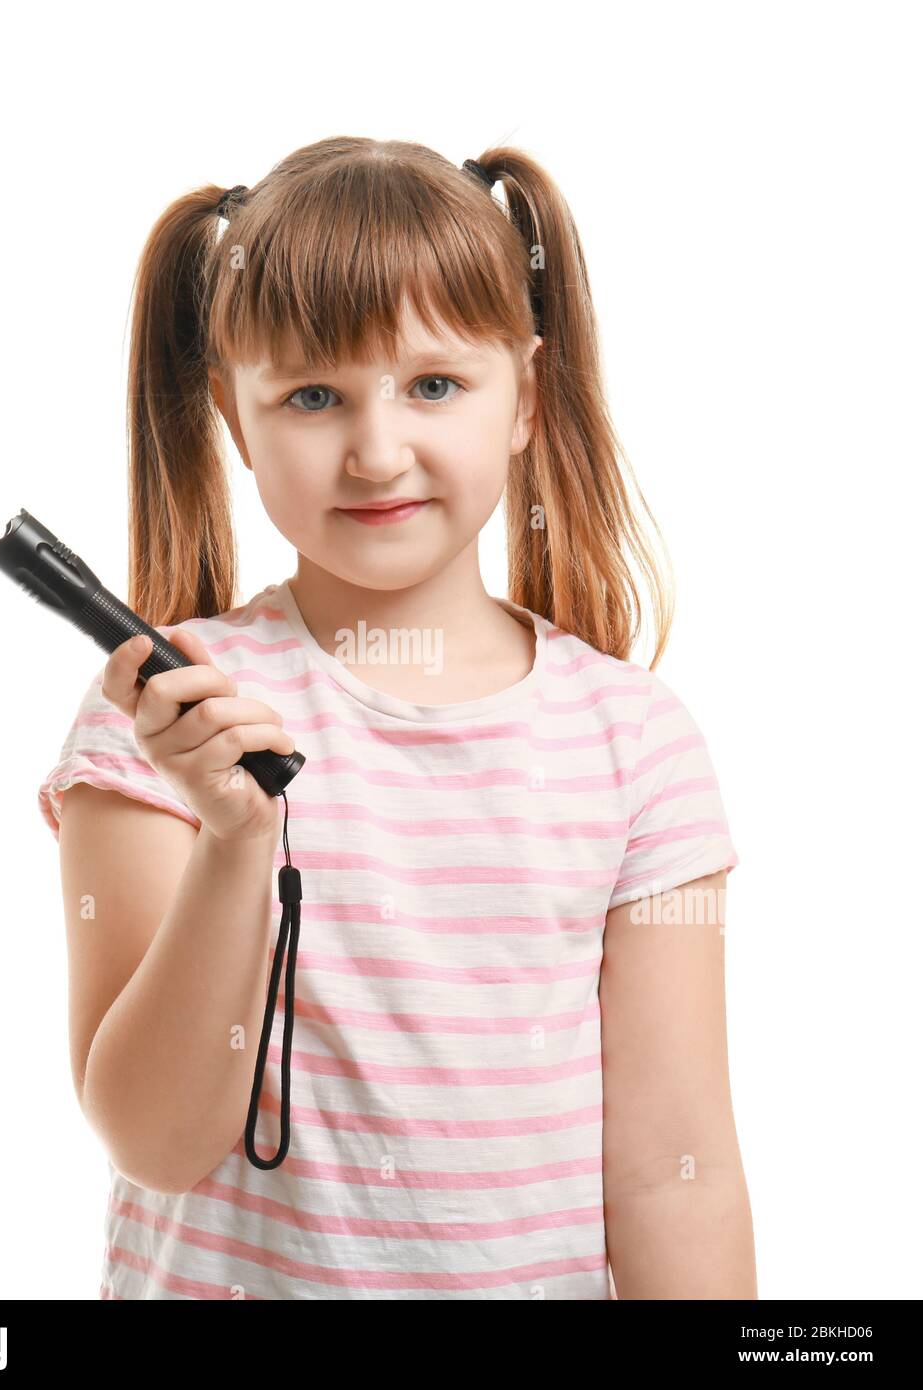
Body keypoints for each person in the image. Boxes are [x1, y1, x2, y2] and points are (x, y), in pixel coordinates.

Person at [38, 135, 753, 1300]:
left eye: (432, 385)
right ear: (233, 416)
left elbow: (674, 1174)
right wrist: (233, 842)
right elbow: (155, 1141)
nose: (377, 452)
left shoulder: (636, 744)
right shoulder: (170, 720)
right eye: (312, 396)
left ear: (524, 395)